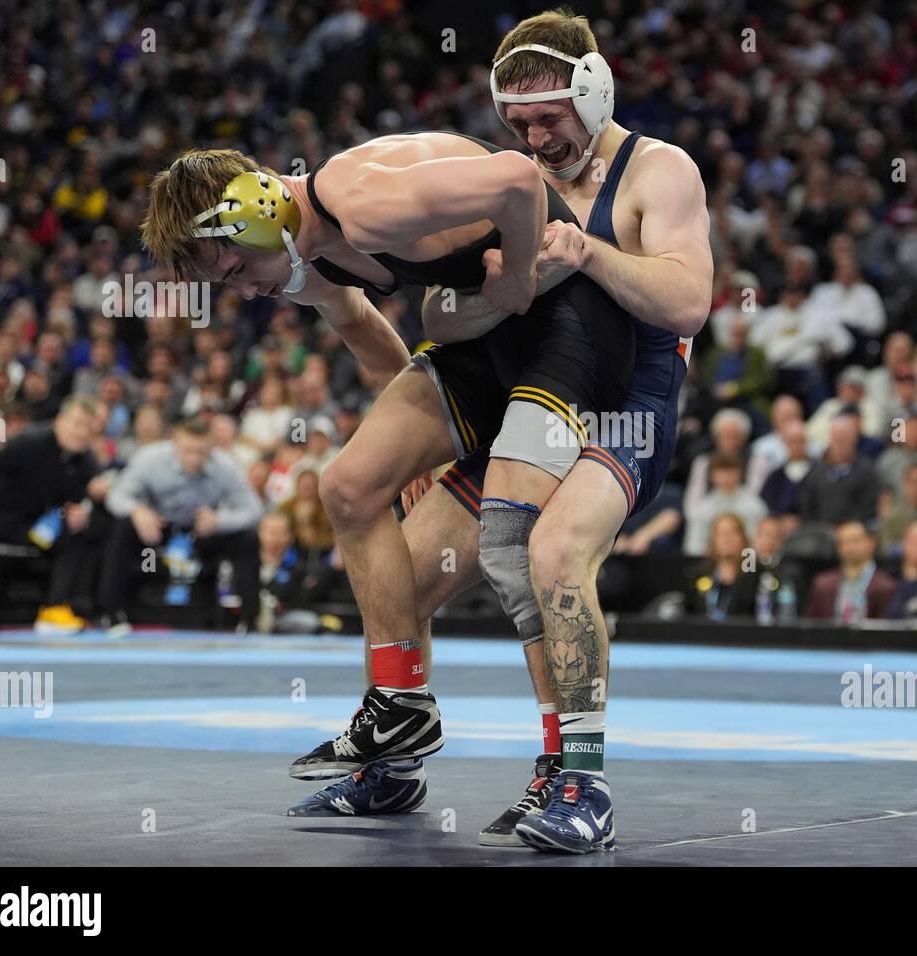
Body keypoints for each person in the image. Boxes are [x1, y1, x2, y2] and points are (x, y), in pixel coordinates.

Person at [293, 11, 712, 853]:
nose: (533, 135)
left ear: (594, 92)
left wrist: (588, 255)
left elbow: (687, 303)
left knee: (549, 553)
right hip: (520, 397)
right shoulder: (499, 178)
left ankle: (579, 782)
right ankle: (400, 755)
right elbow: (442, 310)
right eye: (517, 122)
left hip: (623, 403)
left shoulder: (655, 172)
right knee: (401, 581)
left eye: (548, 116)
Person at [142, 118, 637, 789]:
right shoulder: (297, 255)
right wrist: (417, 452)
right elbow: (360, 326)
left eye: (238, 268)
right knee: (351, 488)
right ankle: (400, 714)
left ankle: (566, 766)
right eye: (226, 282)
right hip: (481, 345)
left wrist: (519, 274)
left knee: (511, 542)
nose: (247, 290)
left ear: (262, 211)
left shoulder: (363, 198)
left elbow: (519, 178)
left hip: (569, 330)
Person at [0, 396, 103, 628]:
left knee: (77, 536)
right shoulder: (31, 440)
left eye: (88, 427)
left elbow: (81, 494)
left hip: (32, 525)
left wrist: (79, 508)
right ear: (60, 421)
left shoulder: (85, 459)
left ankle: (54, 609)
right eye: (77, 423)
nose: (81, 432)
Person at [100, 417, 264, 631]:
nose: (195, 459)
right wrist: (138, 511)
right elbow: (116, 496)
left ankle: (249, 620)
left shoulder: (225, 465)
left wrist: (220, 521)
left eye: (202, 452)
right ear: (174, 443)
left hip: (202, 531)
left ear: (211, 446)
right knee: (123, 528)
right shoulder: (150, 458)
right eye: (188, 451)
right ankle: (111, 613)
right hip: (157, 531)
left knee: (247, 539)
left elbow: (253, 509)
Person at [804, 521, 898, 622]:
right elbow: (810, 626)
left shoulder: (887, 586)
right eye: (843, 542)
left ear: (871, 542)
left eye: (855, 541)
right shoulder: (822, 585)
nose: (849, 547)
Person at [689, 513, 758, 619]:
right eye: (721, 533)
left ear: (743, 538)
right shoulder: (698, 574)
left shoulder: (755, 577)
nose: (727, 539)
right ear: (713, 541)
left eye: (733, 533)